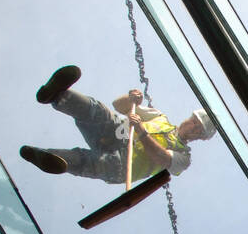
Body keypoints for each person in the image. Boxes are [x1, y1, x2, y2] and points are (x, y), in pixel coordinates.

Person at [20, 65, 216, 183]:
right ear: (189, 118)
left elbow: (163, 158)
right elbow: (119, 105)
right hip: (118, 133)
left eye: (199, 131)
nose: (194, 129)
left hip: (124, 164)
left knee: (87, 162)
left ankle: (46, 157)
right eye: (195, 123)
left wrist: (141, 130)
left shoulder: (184, 157)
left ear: (200, 138)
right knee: (97, 112)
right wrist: (132, 99)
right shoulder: (159, 118)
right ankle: (58, 95)